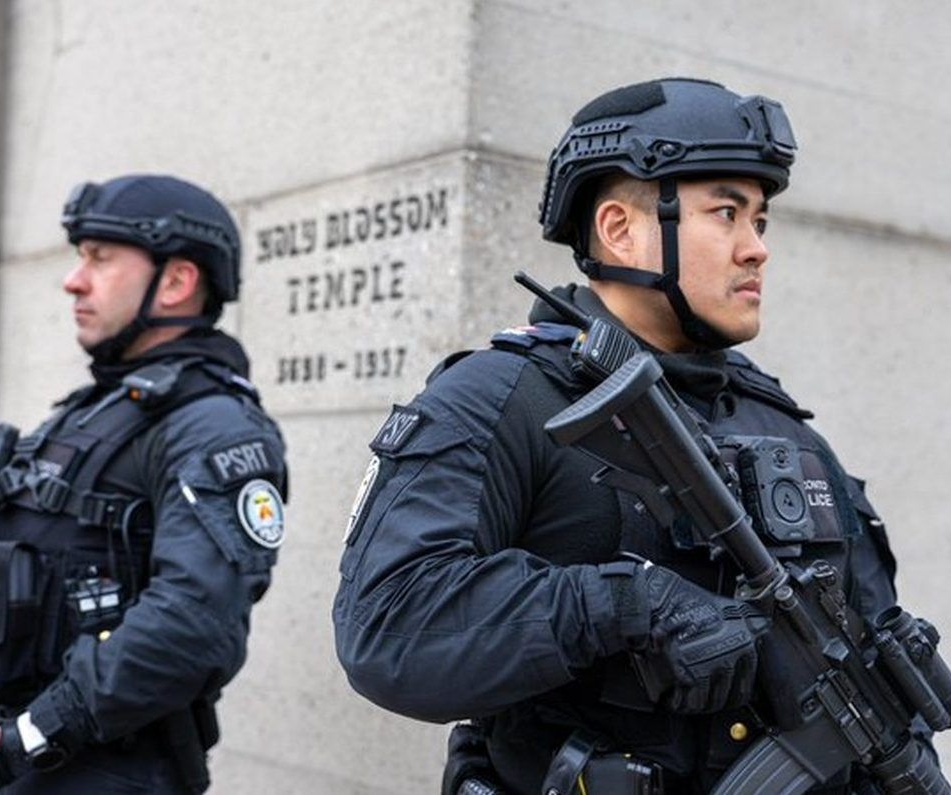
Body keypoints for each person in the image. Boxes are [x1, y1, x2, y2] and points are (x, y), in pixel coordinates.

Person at [332, 78, 919, 794]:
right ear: (620, 229)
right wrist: (626, 606)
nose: (755, 248)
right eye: (725, 213)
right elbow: (389, 630)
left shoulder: (782, 427)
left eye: (760, 221)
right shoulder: (499, 398)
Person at [0, 174, 288, 794]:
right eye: (80, 258)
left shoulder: (212, 426)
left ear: (178, 281)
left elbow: (192, 625)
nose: (73, 280)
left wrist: (27, 736)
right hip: (4, 752)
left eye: (100, 259)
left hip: (100, 767)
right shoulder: (94, 409)